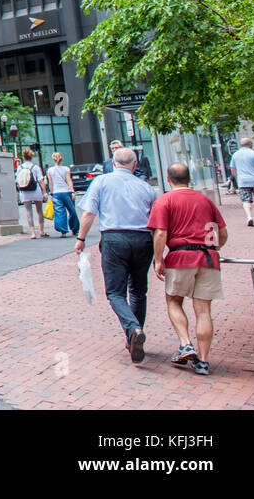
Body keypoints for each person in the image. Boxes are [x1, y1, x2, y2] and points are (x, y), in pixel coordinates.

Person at [75, 147, 159, 363]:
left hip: (114, 238)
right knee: (139, 291)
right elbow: (156, 221)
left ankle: (133, 329)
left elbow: (89, 213)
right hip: (143, 239)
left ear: (113, 163)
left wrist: (81, 238)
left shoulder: (101, 182)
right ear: (134, 164)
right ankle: (134, 334)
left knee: (115, 292)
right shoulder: (146, 187)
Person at [150, 162, 228, 376]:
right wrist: (216, 247)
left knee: (174, 300)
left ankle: (185, 343)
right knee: (203, 310)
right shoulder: (205, 200)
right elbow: (222, 231)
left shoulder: (164, 200)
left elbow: (160, 233)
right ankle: (203, 361)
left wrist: (158, 259)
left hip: (180, 256)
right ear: (189, 179)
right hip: (207, 257)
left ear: (168, 179)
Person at [229, 137, 254, 227]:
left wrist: (237, 178)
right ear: (250, 144)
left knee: (246, 200)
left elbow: (232, 168)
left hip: (243, 181)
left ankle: (249, 217)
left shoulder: (235, 155)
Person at [46, 151, 79, 237]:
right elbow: (69, 181)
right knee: (72, 211)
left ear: (53, 159)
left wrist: (51, 192)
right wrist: (72, 191)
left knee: (59, 212)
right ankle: (74, 229)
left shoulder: (50, 170)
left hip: (56, 193)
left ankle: (63, 231)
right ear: (61, 159)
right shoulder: (66, 169)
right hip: (67, 192)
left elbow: (50, 183)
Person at [16, 148, 47, 238]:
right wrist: (45, 193)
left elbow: (17, 180)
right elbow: (41, 181)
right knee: (39, 211)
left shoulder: (19, 168)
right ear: (31, 157)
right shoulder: (35, 167)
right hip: (35, 190)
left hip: (25, 192)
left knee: (28, 212)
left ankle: (33, 233)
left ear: (24, 157)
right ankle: (41, 231)